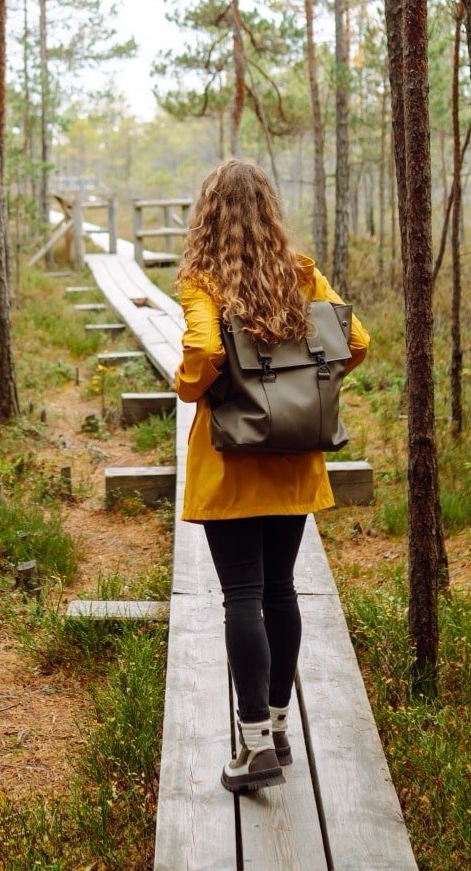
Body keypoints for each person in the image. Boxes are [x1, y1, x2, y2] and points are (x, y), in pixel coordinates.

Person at [173, 157, 369, 794]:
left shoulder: (203, 281)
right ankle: (280, 730)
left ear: (208, 215)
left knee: (243, 597)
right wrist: (304, 389)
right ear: (268, 212)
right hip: (291, 457)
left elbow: (202, 352)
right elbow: (356, 340)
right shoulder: (299, 272)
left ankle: (253, 744)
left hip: (232, 461)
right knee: (281, 591)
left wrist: (192, 388)